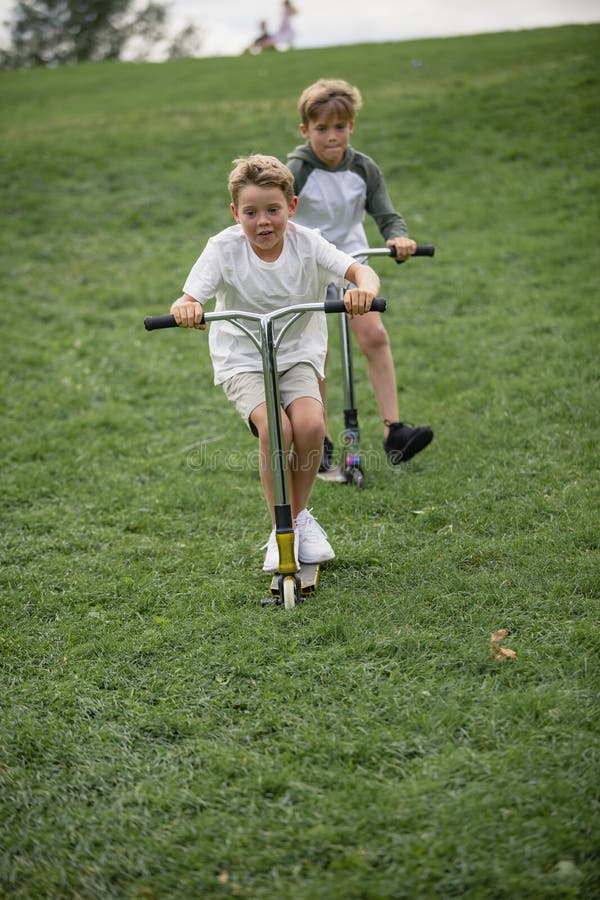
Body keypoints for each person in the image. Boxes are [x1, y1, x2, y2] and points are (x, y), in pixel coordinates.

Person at [170, 154, 380, 572]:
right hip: (243, 357)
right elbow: (189, 297)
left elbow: (361, 273)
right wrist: (186, 307)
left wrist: (363, 290)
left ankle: (297, 520)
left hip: (297, 353)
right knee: (277, 428)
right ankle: (280, 527)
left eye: (273, 210)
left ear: (292, 207)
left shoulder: (308, 242)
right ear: (235, 213)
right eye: (250, 213)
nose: (263, 221)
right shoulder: (223, 248)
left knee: (310, 426)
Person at [286, 78, 434, 469]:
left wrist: (398, 238)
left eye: (340, 127)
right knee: (316, 351)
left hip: (352, 261)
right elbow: (278, 210)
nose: (332, 137)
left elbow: (386, 214)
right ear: (305, 130)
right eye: (321, 129)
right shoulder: (297, 169)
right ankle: (320, 439)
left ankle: (394, 430)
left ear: (351, 126)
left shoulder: (363, 168)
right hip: (309, 266)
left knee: (373, 334)